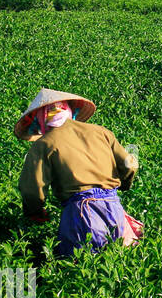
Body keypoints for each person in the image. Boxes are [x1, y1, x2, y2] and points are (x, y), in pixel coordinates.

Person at [15, 89, 141, 259]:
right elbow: (130, 164)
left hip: (80, 213)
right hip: (114, 207)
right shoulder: (101, 132)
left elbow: (31, 189)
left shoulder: (43, 145)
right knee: (118, 262)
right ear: (70, 111)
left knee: (79, 266)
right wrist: (124, 184)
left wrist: (35, 212)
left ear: (40, 121)